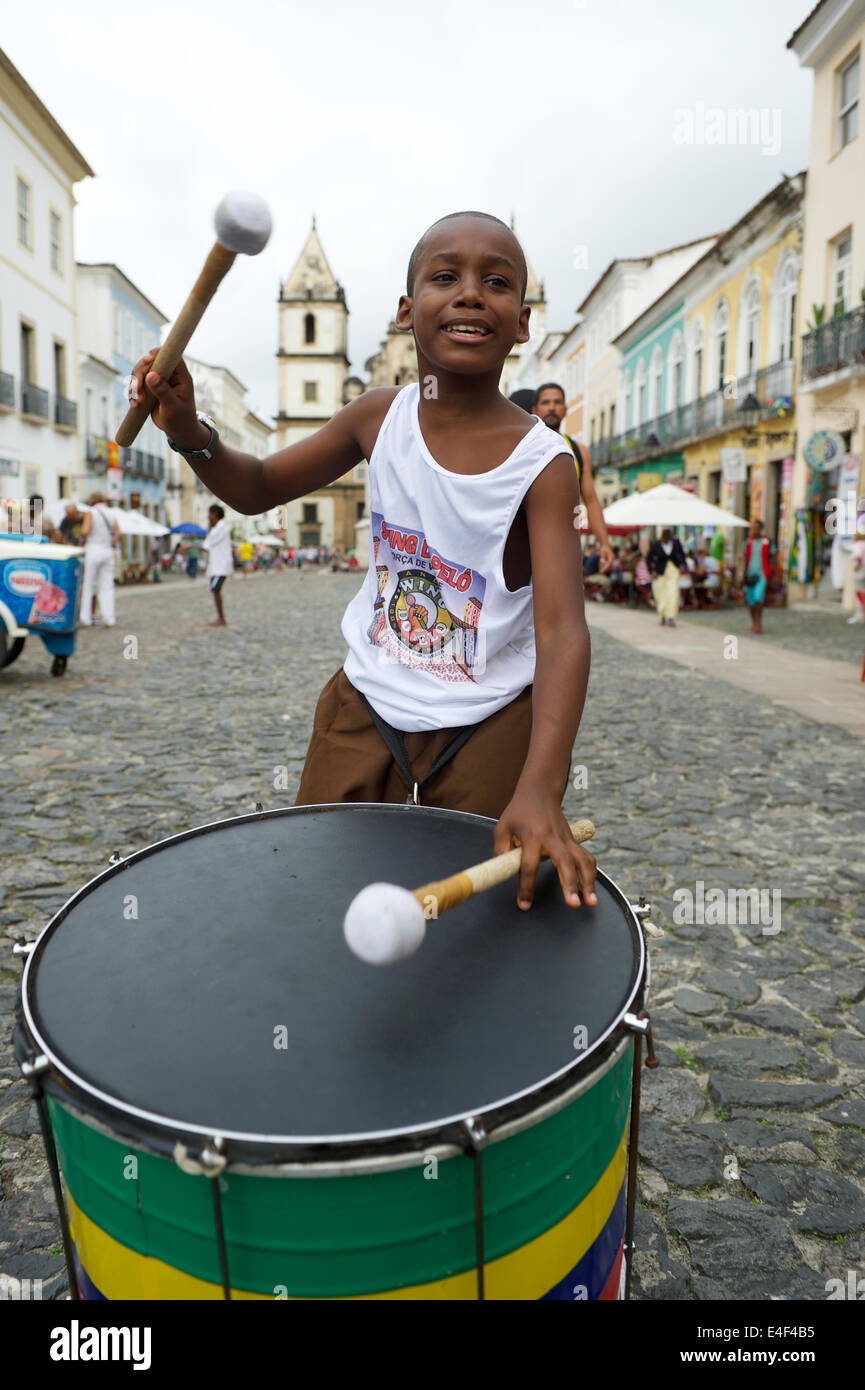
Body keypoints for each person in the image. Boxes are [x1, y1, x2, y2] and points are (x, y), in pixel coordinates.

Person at [128, 209, 597, 913]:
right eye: (445, 276)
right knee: (317, 895)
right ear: (407, 311)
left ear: (522, 322)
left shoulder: (543, 463)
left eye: (495, 282)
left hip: (491, 719)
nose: (469, 293)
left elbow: (563, 632)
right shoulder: (377, 415)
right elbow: (255, 488)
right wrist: (188, 429)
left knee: (486, 923)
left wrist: (540, 788)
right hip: (363, 704)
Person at [531, 383, 614, 574]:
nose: (552, 407)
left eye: (557, 402)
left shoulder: (578, 450)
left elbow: (591, 500)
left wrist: (605, 544)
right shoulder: (521, 445)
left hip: (566, 547)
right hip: (527, 545)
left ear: (565, 409)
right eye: (546, 402)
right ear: (534, 409)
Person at [79, 493, 121, 627]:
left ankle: (85, 618)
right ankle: (109, 619)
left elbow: (85, 531)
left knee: (88, 585)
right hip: (107, 551)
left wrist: (84, 539)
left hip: (93, 550)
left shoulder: (91, 512)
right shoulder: (111, 512)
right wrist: (111, 542)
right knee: (107, 586)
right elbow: (118, 532)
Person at [647, 528, 686, 626]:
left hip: (673, 571)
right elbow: (648, 558)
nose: (666, 539)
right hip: (660, 573)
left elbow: (682, 556)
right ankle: (662, 616)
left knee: (673, 594)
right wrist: (652, 571)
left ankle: (671, 617)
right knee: (660, 595)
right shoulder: (656, 545)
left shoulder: (675, 544)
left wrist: (682, 565)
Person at [203, 504, 232, 626]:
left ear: (215, 514)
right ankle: (221, 617)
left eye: (210, 513)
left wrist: (189, 547)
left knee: (216, 590)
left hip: (220, 566)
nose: (208, 516)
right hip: (216, 566)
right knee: (215, 591)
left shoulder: (220, 529)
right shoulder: (217, 529)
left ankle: (221, 618)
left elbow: (206, 546)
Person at [744, 517, 771, 634]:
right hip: (750, 574)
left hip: (762, 574)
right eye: (753, 528)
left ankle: (759, 623)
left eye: (757, 528)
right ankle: (753, 623)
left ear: (761, 529)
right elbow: (743, 558)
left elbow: (772, 557)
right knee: (750, 602)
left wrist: (771, 574)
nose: (754, 530)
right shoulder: (747, 542)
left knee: (758, 598)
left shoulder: (766, 542)